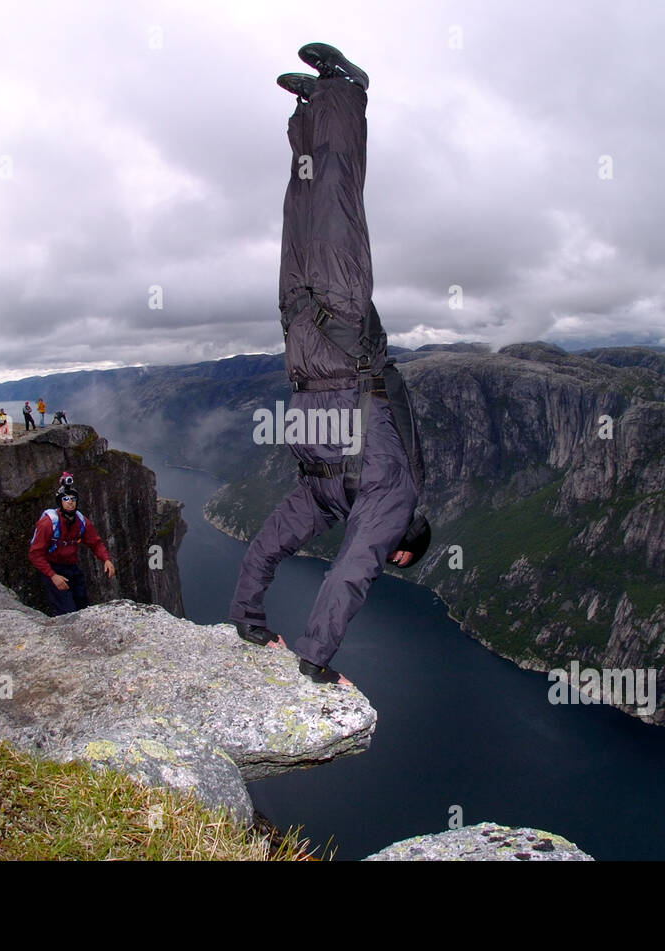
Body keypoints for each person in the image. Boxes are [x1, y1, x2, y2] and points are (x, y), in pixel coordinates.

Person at [226, 44, 431, 686]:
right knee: (336, 200)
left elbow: (273, 538)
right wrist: (314, 659)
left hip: (303, 347)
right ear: (405, 545)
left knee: (300, 206)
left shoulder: (331, 490)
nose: (382, 550)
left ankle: (310, 112)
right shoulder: (395, 497)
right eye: (395, 555)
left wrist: (248, 614)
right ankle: (346, 90)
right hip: (341, 338)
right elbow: (352, 571)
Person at [27, 485, 116, 615]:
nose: (70, 502)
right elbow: (35, 554)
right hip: (53, 568)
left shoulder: (80, 521)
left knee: (82, 606)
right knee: (66, 611)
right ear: (60, 502)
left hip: (71, 567)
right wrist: (52, 575)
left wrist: (106, 559)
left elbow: (95, 542)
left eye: (73, 499)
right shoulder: (48, 524)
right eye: (66, 498)